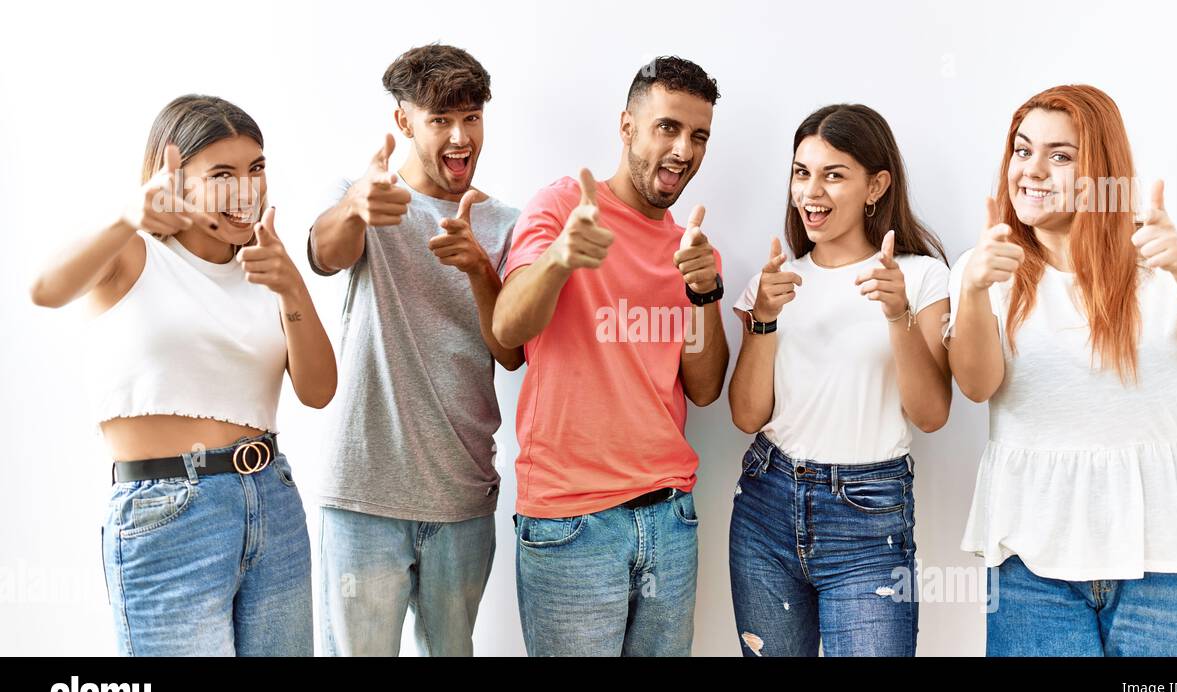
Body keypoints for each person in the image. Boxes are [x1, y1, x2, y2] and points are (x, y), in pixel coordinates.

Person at [946, 84, 1177, 656]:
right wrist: (972, 291)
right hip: (1033, 555)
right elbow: (976, 386)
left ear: (1101, 171)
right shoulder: (987, 266)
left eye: (1060, 155)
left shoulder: (1160, 251)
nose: (1032, 170)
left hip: (1173, 555)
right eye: (1022, 150)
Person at [29, 94, 337, 656]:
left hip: (272, 500)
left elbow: (318, 391)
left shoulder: (265, 264)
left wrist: (292, 286)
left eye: (257, 168)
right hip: (166, 514)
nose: (247, 189)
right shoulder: (133, 254)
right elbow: (44, 289)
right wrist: (127, 214)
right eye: (222, 173)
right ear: (174, 181)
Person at [492, 56, 728, 656]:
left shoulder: (693, 248)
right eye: (667, 128)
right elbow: (509, 328)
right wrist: (562, 258)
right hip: (572, 522)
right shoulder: (561, 207)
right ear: (627, 127)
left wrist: (705, 293)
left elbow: (703, 389)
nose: (682, 150)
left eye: (698, 136)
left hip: (669, 519)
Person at [308, 43, 521, 656]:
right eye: (440, 120)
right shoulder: (363, 196)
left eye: (472, 117)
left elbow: (510, 353)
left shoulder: (504, 222)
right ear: (403, 122)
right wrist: (355, 206)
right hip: (364, 494)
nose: (460, 137)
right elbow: (324, 254)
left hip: (462, 494)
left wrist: (482, 268)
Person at [728, 104, 951, 657]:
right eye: (802, 172)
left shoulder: (921, 277)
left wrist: (897, 314)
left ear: (876, 185)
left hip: (869, 519)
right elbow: (747, 416)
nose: (811, 192)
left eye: (833, 174)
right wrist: (763, 320)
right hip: (766, 506)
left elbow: (931, 414)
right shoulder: (774, 281)